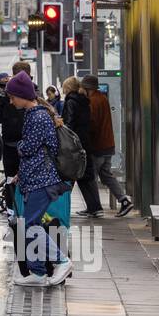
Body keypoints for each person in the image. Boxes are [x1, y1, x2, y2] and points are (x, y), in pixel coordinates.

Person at [8, 72, 71, 287]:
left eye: (13, 96)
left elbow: (28, 148)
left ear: (23, 95)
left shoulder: (37, 116)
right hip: (35, 178)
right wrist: (21, 174)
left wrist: (19, 147)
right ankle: (37, 272)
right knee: (29, 224)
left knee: (30, 225)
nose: (11, 100)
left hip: (42, 180)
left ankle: (61, 261)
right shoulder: (36, 114)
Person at [81, 76, 134, 216]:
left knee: (90, 177)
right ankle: (124, 201)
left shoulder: (93, 101)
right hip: (107, 145)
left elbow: (92, 124)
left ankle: (95, 208)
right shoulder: (102, 98)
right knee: (105, 175)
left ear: (87, 88)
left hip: (98, 146)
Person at [61, 76, 99, 217]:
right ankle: (94, 207)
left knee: (69, 174)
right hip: (84, 141)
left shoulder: (71, 101)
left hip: (74, 144)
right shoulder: (84, 101)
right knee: (85, 176)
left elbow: (69, 123)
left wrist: (62, 128)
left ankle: (61, 206)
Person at [0, 61, 32, 184]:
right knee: (19, 181)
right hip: (16, 146)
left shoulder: (4, 96)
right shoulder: (35, 94)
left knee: (12, 181)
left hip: (14, 146)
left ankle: (12, 201)